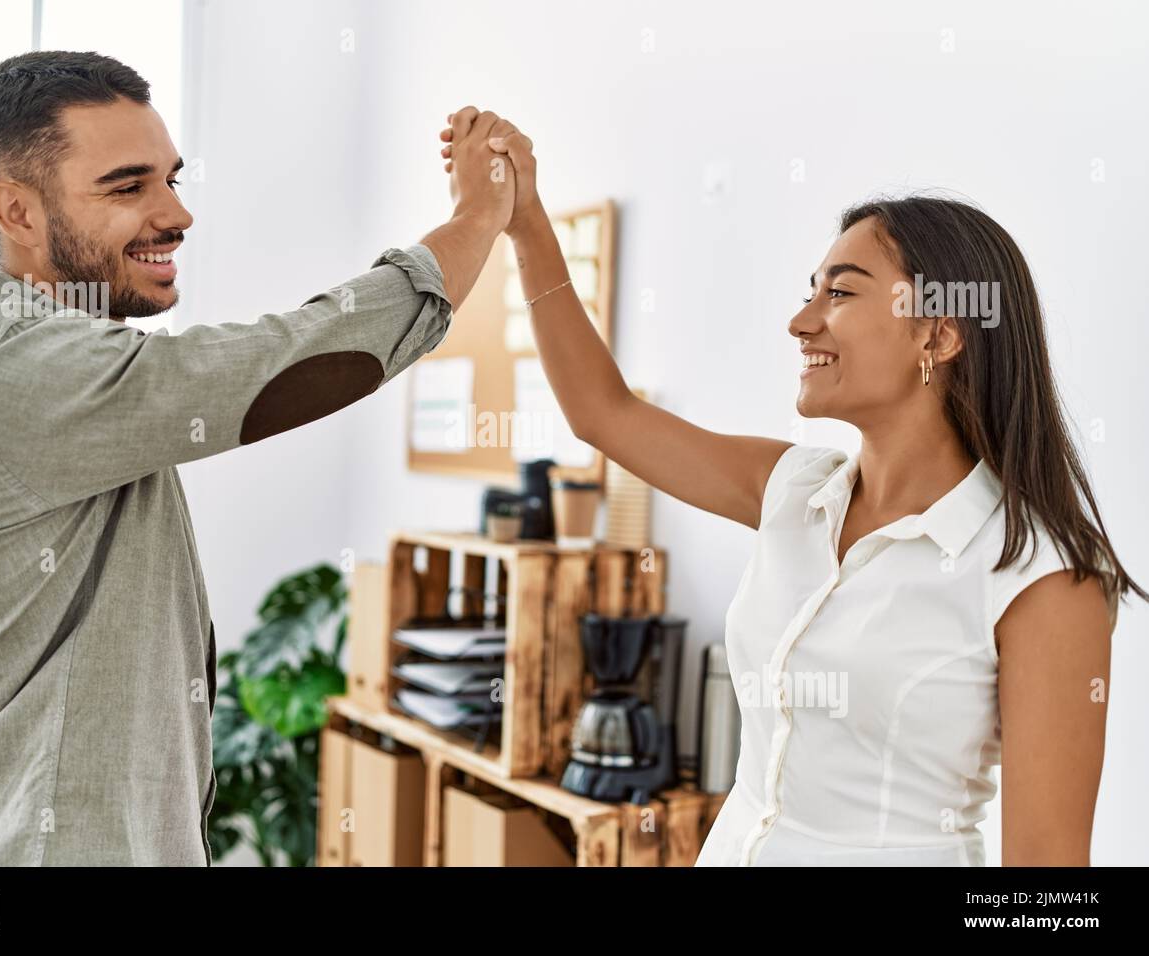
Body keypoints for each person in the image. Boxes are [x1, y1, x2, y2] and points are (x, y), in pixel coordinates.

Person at [448, 110, 1144, 865]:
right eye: (811, 291)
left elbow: (1048, 890)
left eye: (839, 295)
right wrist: (524, 223)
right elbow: (603, 414)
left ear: (938, 336)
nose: (800, 321)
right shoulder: (793, 491)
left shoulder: (1040, 576)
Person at [0, 52, 519, 865]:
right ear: (17, 212)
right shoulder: (11, 373)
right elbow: (289, 359)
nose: (176, 214)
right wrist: (477, 215)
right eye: (127, 186)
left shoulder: (68, 368)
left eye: (172, 179)